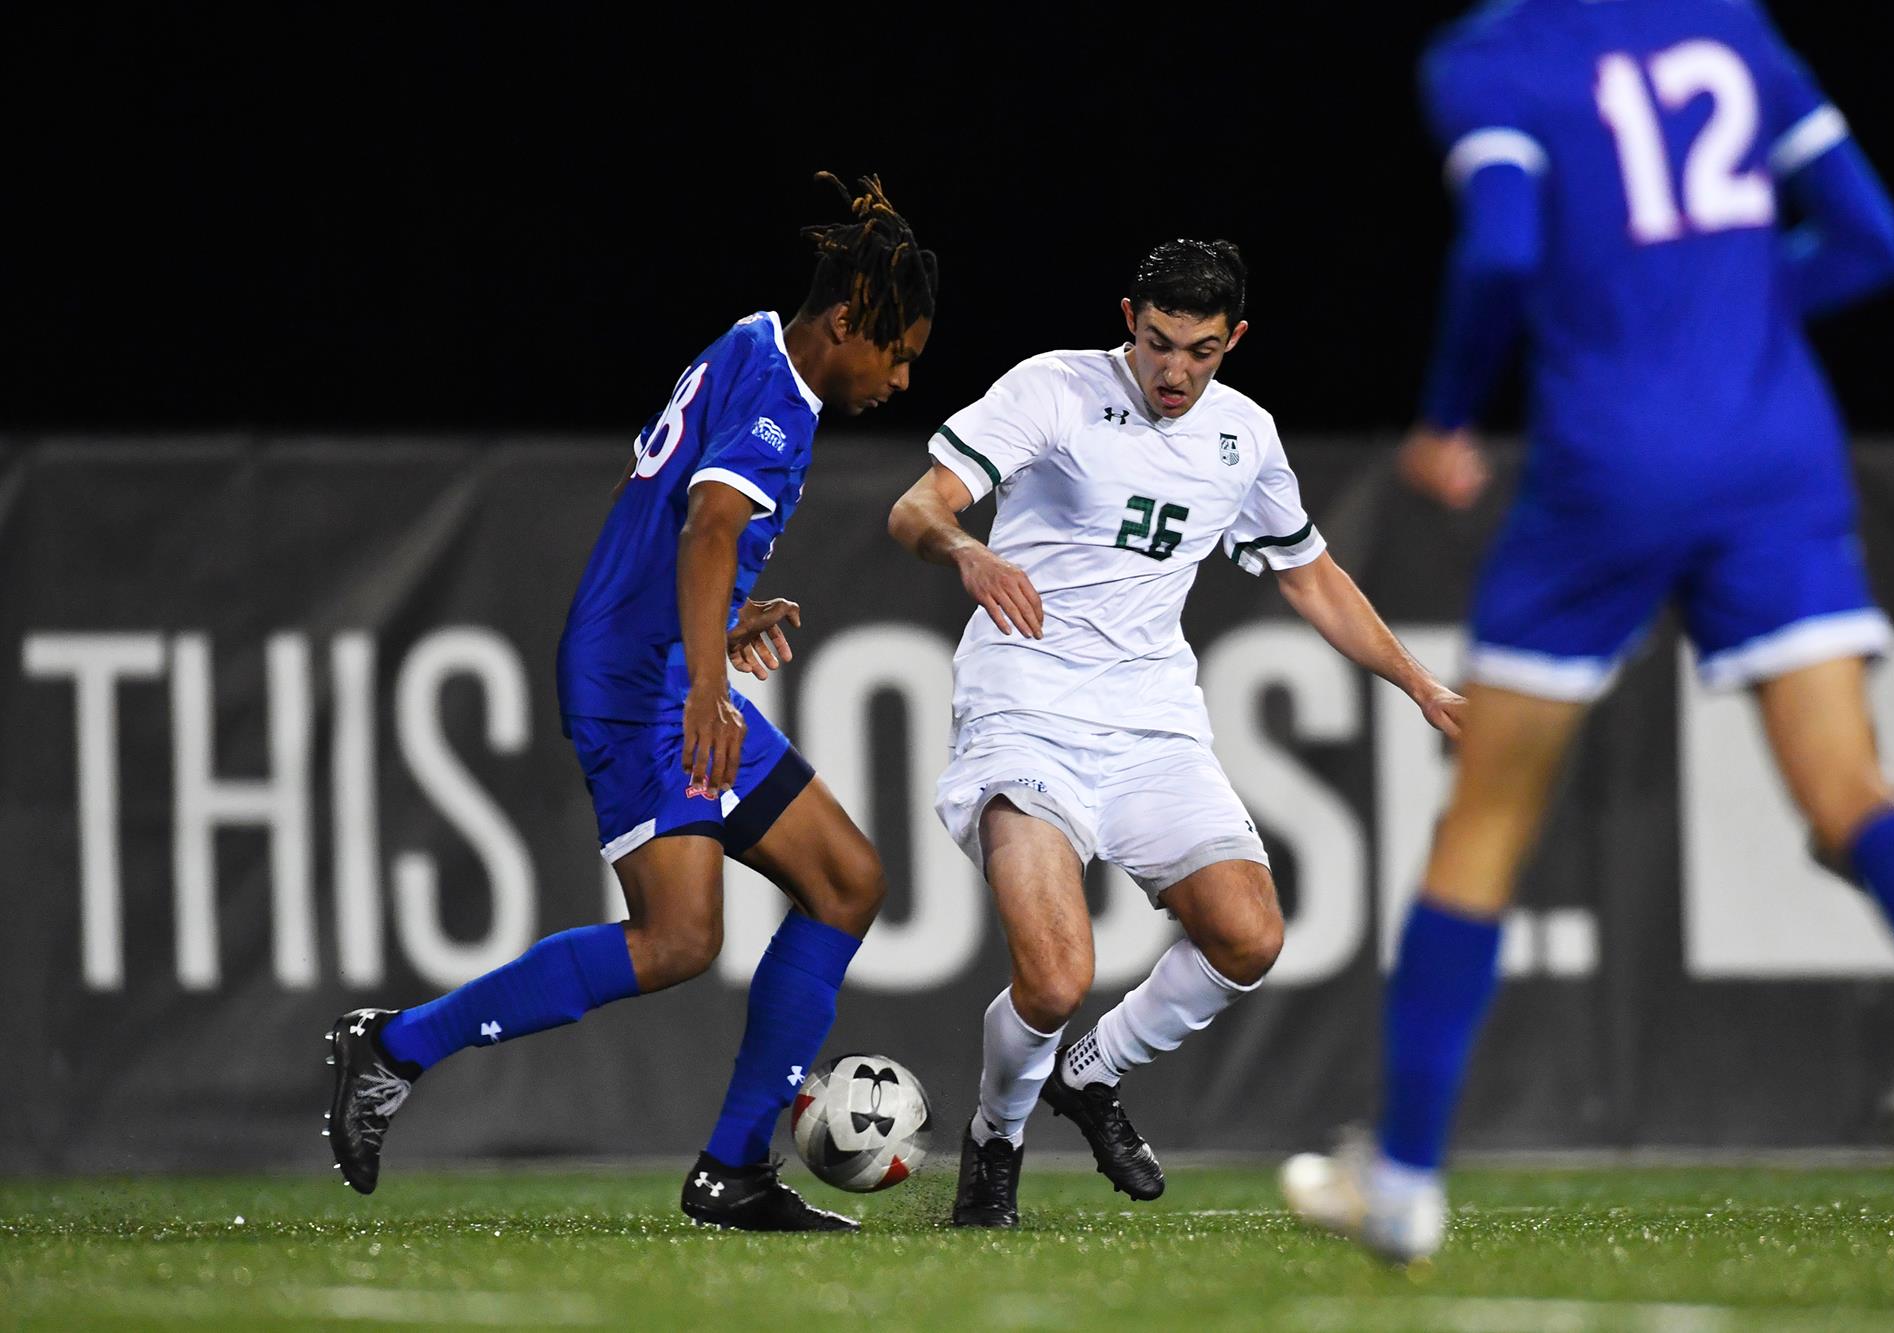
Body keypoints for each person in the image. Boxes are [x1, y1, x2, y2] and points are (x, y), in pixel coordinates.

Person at [1282, 0, 1894, 1263]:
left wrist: (1446, 415)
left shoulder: (1492, 56)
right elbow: (1871, 238)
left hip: (1609, 459)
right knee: (1848, 791)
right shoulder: (1729, 23)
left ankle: (1401, 1178)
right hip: (1775, 453)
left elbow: (1500, 252)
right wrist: (1732, 321)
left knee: (1484, 822)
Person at [325, 174, 938, 1232]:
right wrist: (703, 679)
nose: (902, 376)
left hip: (651, 658)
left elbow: (663, 511)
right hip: (639, 685)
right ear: (846, 321)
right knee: (676, 939)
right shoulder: (776, 397)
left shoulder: (751, 342)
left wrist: (715, 622)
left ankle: (734, 1168)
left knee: (847, 881)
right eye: (899, 350)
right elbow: (707, 526)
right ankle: (394, 1047)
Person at [888, 238, 1465, 1228]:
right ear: (1129, 320)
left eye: (1200, 350)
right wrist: (964, 549)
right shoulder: (1054, 388)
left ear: (1233, 339)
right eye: (1158, 342)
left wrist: (1417, 682)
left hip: (1152, 723)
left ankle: (1091, 1072)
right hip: (1023, 710)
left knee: (1248, 935)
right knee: (1054, 977)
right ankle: (996, 1137)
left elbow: (1309, 575)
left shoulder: (1244, 435)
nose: (1174, 371)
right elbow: (916, 506)